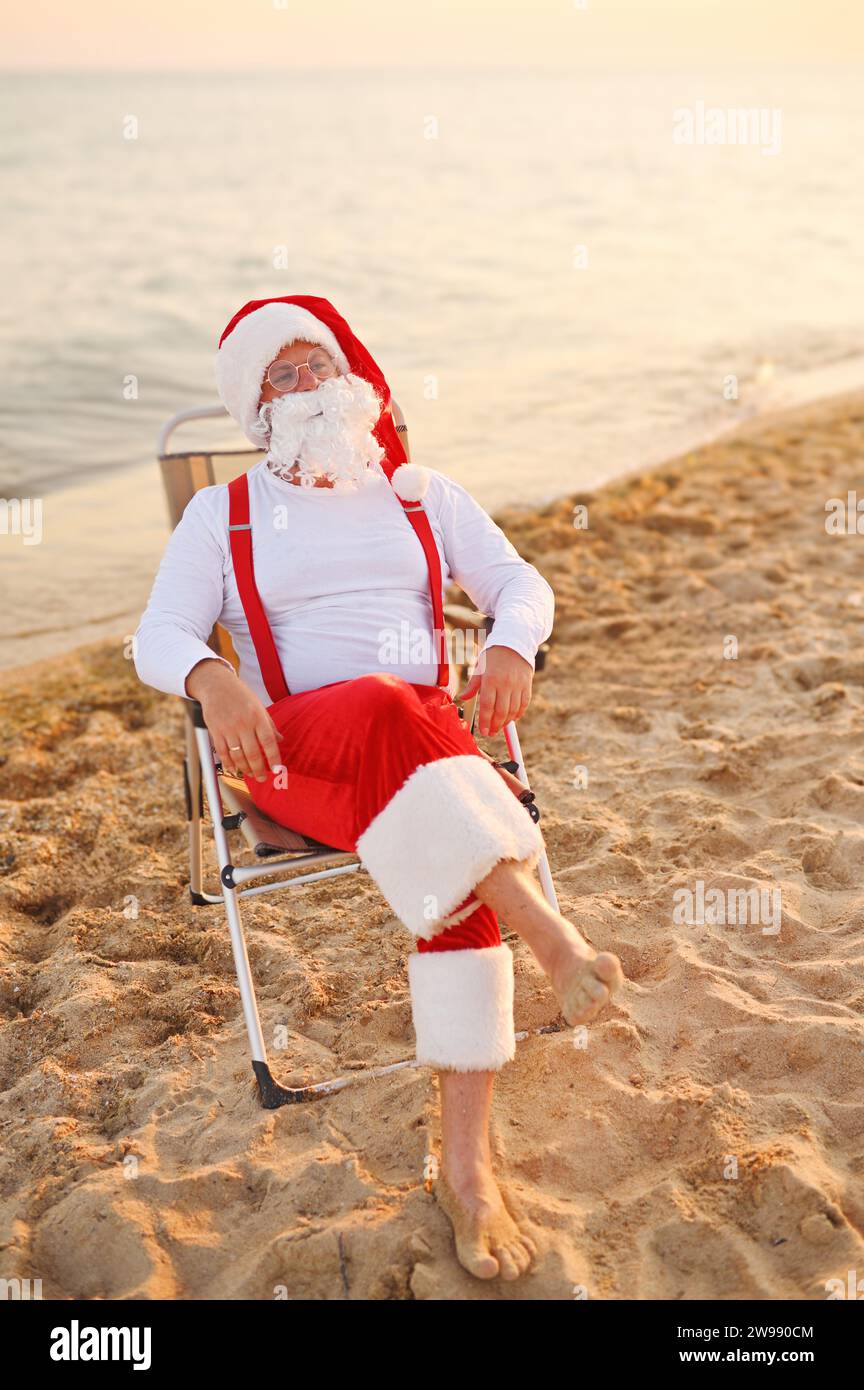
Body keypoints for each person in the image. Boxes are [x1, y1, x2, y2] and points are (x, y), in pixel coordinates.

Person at [133, 295, 624, 1281]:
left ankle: (467, 1173)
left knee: (434, 817)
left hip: (422, 765)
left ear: (353, 379)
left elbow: (521, 583)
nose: (308, 383)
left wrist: (512, 645)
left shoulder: (418, 490)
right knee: (391, 710)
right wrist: (214, 676)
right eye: (283, 374)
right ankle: (546, 933)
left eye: (319, 364)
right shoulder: (221, 514)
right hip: (293, 758)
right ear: (255, 408)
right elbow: (158, 636)